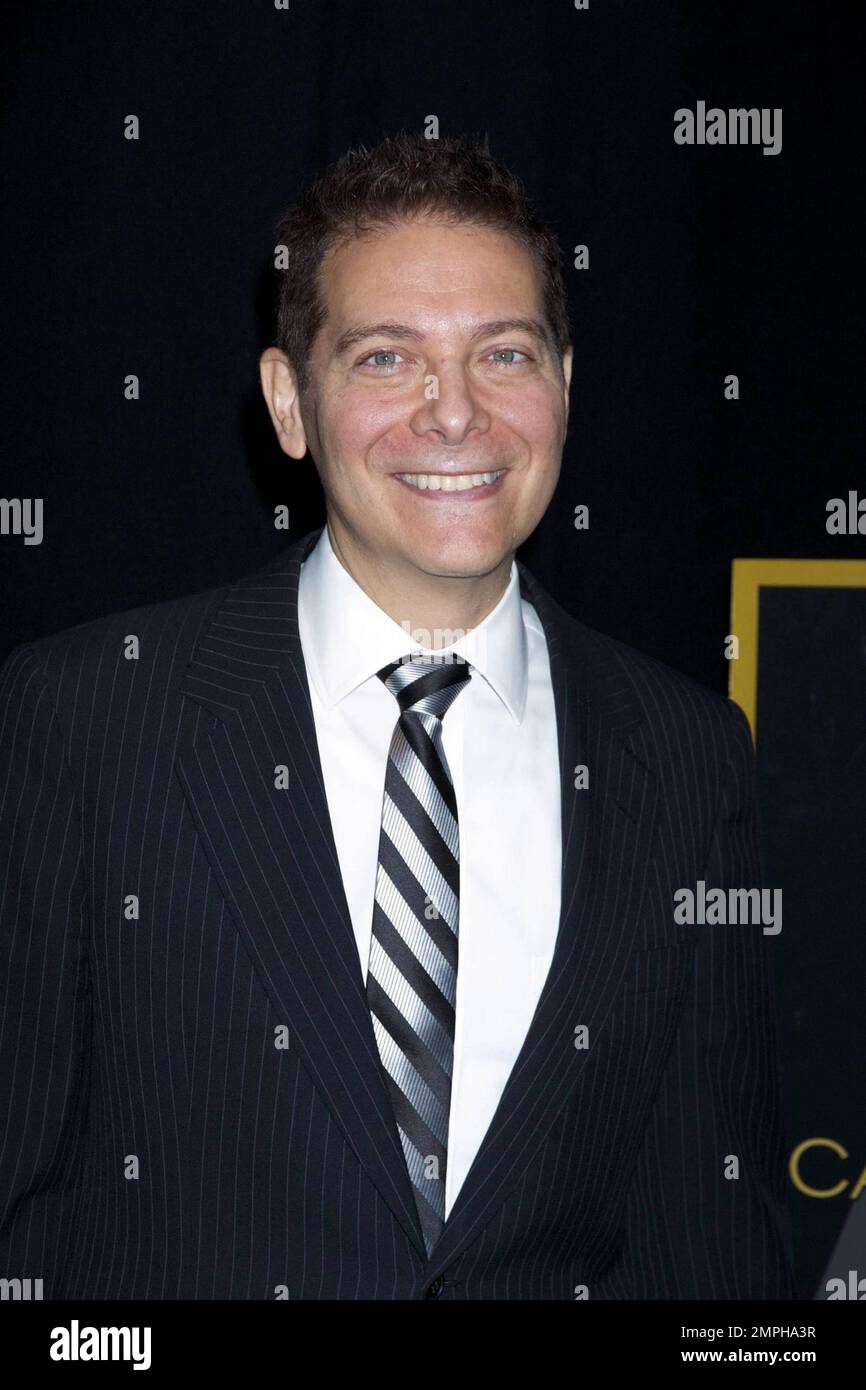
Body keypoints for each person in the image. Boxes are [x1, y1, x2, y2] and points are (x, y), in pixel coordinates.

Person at [0, 131, 795, 1300]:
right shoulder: (80, 717)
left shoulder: (684, 754)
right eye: (385, 358)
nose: (455, 414)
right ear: (287, 400)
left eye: (504, 353)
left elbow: (710, 1250)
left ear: (564, 387)